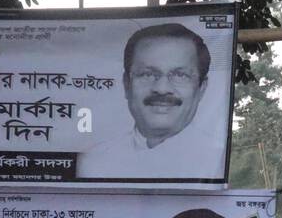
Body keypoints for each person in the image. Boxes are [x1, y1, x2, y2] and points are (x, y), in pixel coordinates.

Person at [77, 23, 216, 178]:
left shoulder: (220, 162)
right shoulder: (93, 163)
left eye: (179, 75)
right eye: (147, 74)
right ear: (126, 85)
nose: (162, 89)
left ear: (201, 88)